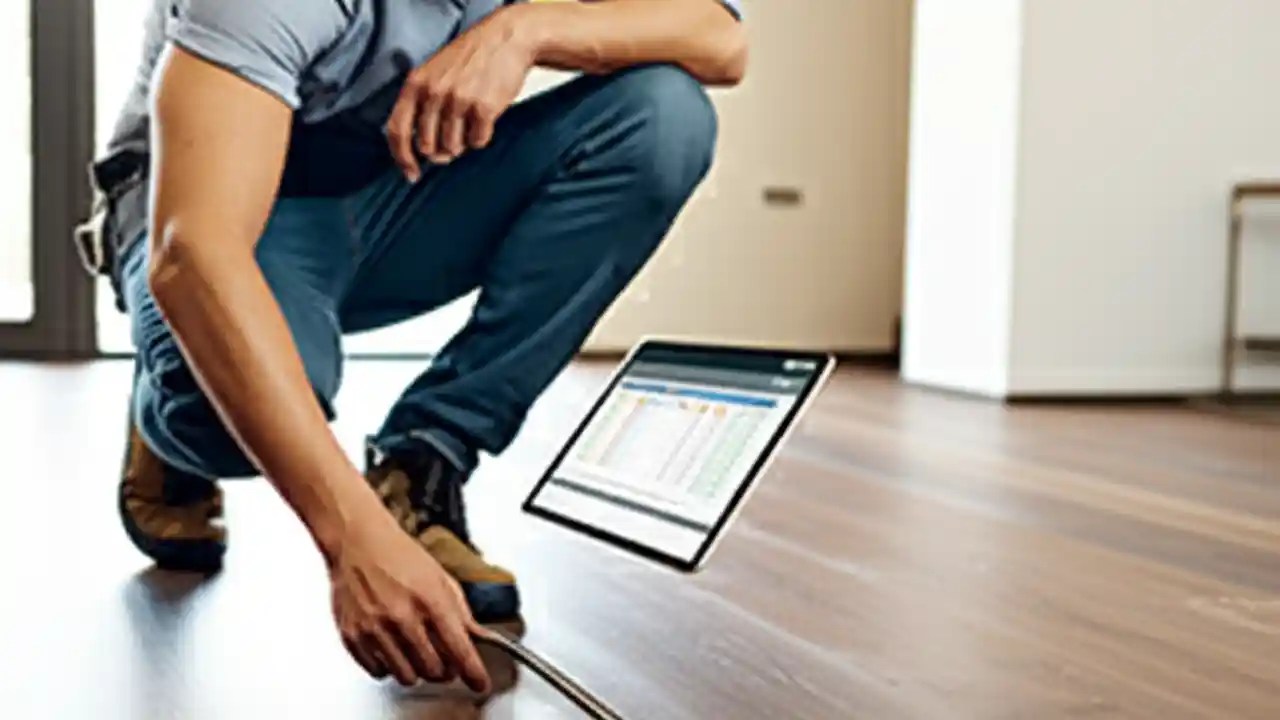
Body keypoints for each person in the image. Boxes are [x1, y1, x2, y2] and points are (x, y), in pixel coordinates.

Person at [87, 0, 746, 696]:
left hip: (379, 191)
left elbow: (720, 38)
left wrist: (525, 29)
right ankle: (174, 393)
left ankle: (425, 458)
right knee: (227, 414)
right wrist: (354, 539)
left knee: (663, 116)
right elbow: (195, 251)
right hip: (202, 201)